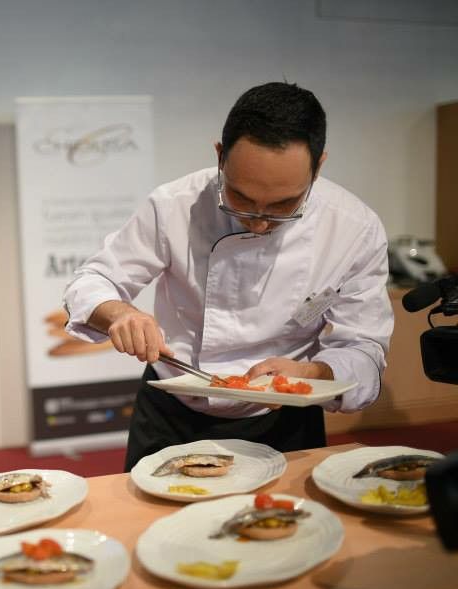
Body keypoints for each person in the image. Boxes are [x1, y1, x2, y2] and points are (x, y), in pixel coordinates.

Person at [62, 82, 394, 471]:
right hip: (173, 413)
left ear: (318, 166)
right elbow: (92, 280)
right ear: (220, 156)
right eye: (241, 198)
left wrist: (312, 372)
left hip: (286, 418)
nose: (259, 222)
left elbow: (364, 348)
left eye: (284, 204)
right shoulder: (174, 205)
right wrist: (120, 314)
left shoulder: (354, 228)